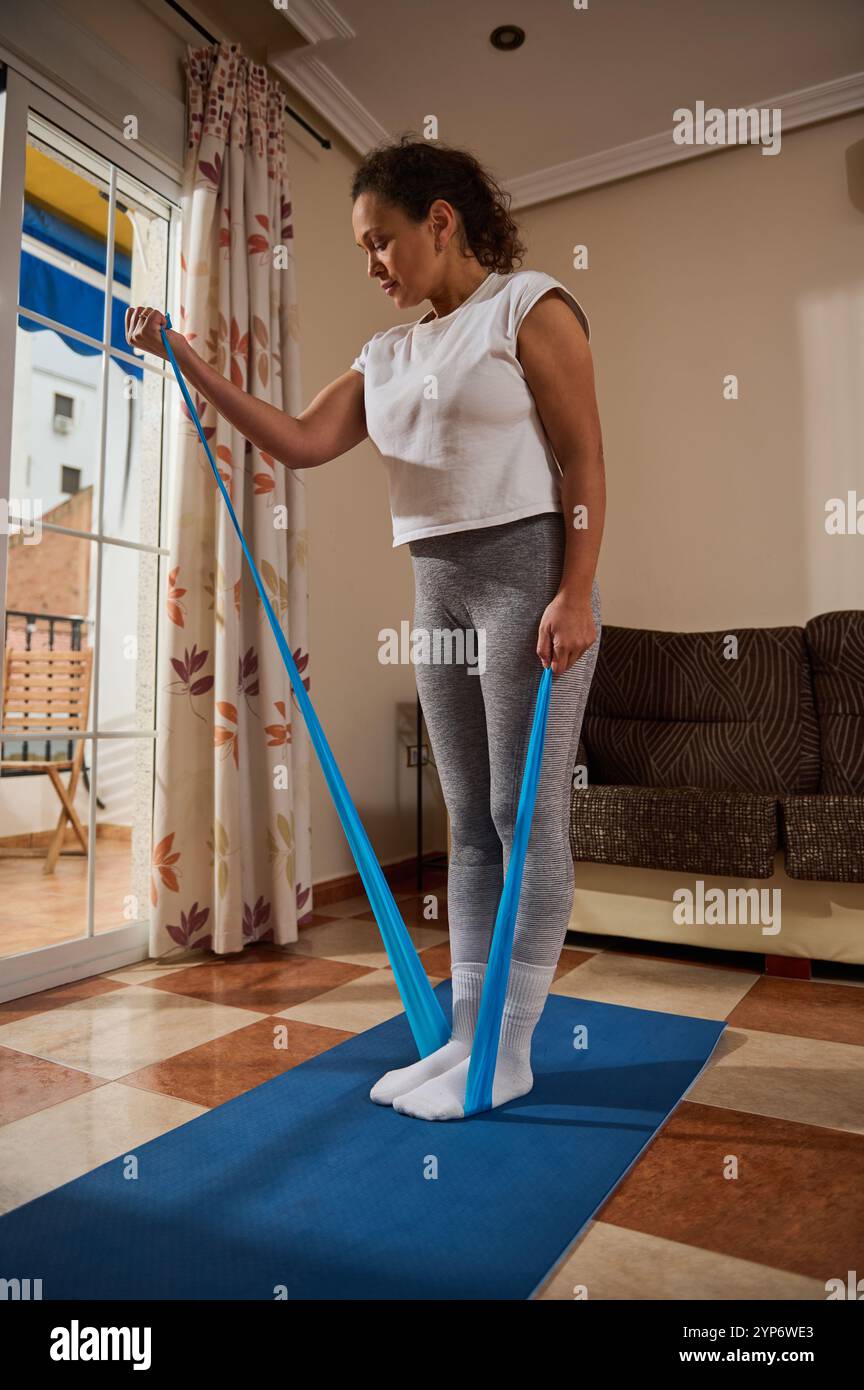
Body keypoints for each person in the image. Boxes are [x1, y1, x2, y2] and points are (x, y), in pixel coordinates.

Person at [126, 134, 605, 1122]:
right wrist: (187, 357)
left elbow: (585, 463)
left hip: (528, 577)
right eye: (362, 250)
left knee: (525, 820)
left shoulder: (530, 307)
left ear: (442, 219)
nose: (375, 264)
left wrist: (579, 591)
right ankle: (468, 1035)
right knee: (466, 826)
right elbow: (298, 440)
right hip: (437, 587)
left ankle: (508, 1048)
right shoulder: (387, 354)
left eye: (382, 241)